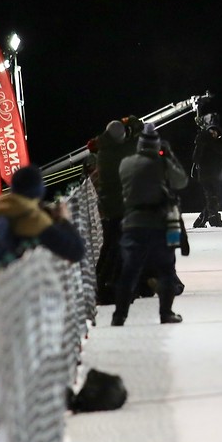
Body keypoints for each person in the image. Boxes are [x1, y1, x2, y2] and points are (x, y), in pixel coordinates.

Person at [0, 165, 87, 296]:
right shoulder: (32, 219)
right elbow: (76, 251)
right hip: (18, 295)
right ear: (39, 190)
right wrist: (64, 221)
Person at [112, 123, 188, 326]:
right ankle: (166, 313)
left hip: (131, 223)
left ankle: (119, 315)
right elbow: (181, 181)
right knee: (166, 270)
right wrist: (168, 156)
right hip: (157, 225)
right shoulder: (160, 163)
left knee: (129, 271)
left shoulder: (125, 163)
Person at [87, 116, 142, 303]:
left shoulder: (103, 149)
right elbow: (136, 144)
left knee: (110, 244)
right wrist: (135, 125)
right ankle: (106, 284)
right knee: (117, 247)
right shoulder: (118, 151)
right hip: (120, 205)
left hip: (109, 205)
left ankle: (99, 281)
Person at [190, 113, 222, 228]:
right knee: (212, 197)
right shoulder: (203, 143)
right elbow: (195, 158)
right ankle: (213, 219)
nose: (214, 133)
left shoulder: (218, 143)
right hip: (206, 175)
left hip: (216, 175)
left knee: (215, 198)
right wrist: (200, 143)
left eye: (215, 131)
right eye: (211, 131)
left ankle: (201, 220)